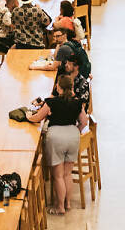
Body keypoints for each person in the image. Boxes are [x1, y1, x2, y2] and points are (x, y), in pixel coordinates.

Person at [27, 73, 88, 214]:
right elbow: (84, 122)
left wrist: (28, 116)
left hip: (56, 137)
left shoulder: (51, 102)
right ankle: (67, 204)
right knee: (67, 174)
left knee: (58, 175)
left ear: (58, 88)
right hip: (73, 136)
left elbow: (37, 118)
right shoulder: (77, 102)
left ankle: (59, 207)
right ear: (71, 88)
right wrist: (75, 131)